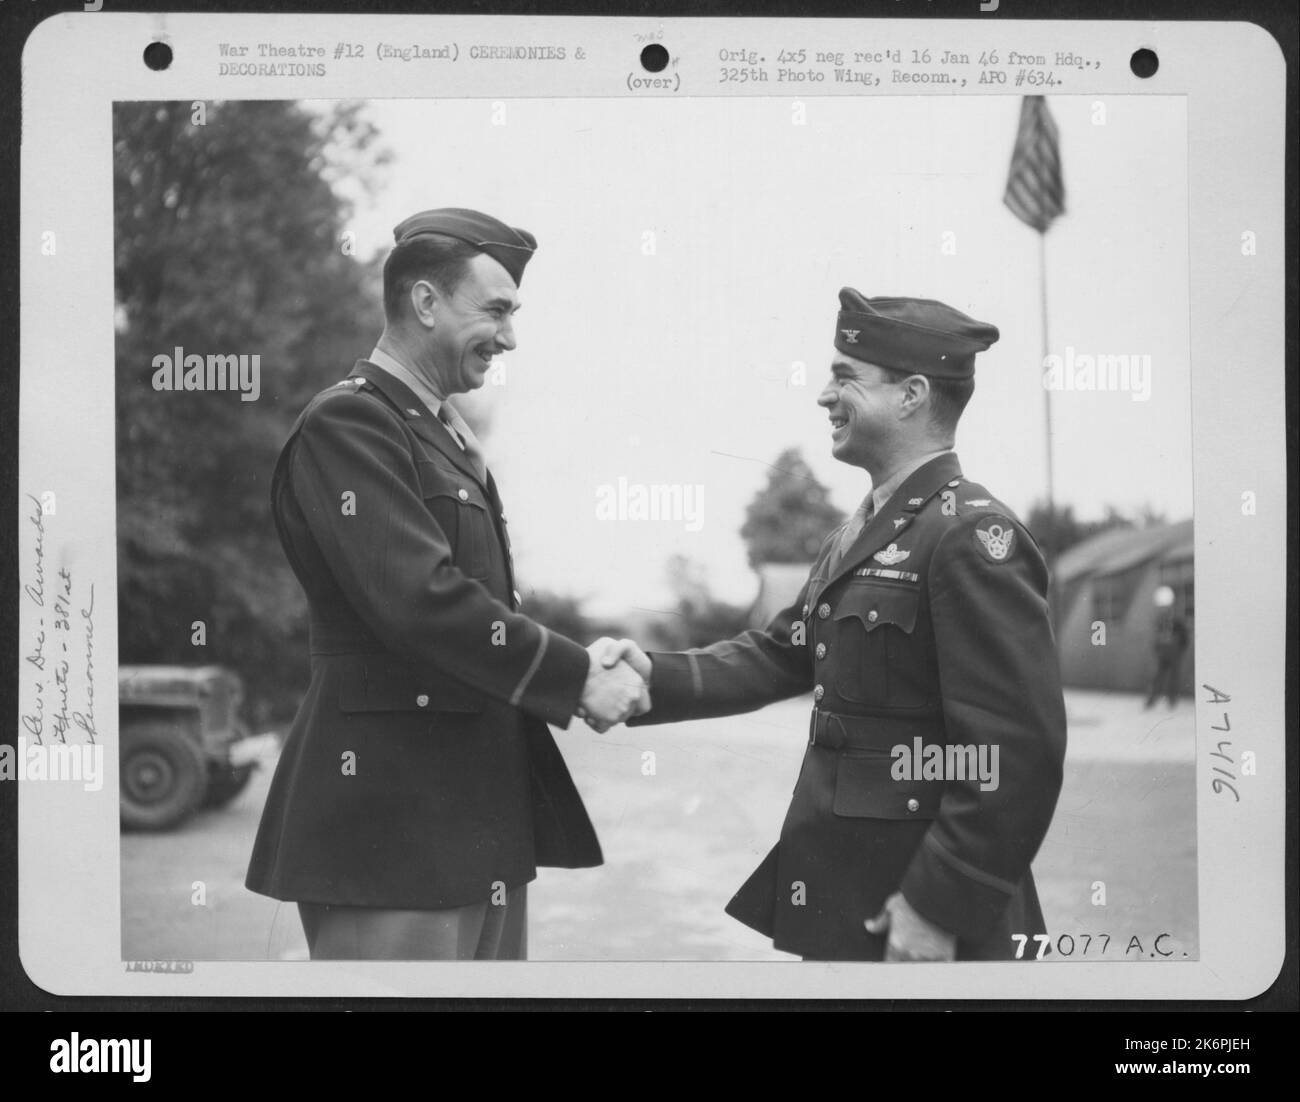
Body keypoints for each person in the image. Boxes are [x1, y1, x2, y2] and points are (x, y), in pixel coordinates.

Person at [597, 289, 1067, 961]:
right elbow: (781, 653)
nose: (823, 395)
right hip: (850, 886)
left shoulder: (969, 533)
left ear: (911, 394)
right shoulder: (863, 530)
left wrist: (940, 906)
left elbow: (1012, 750)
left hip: (922, 907)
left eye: (845, 377)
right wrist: (652, 677)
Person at [245, 208, 647, 960]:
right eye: (495, 310)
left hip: (473, 821)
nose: (510, 337)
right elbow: (418, 600)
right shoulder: (351, 425)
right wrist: (575, 676)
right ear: (426, 303)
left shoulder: (442, 434)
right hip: (393, 826)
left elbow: (483, 610)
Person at [1144, 585, 1189, 709]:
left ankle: (1172, 700)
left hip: (1174, 652)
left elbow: (1184, 637)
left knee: (1173, 678)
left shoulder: (1178, 621)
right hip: (1163, 652)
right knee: (1157, 677)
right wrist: (1157, 649)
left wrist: (1180, 650)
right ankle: (1151, 700)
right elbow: (1157, 637)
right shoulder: (1160, 621)